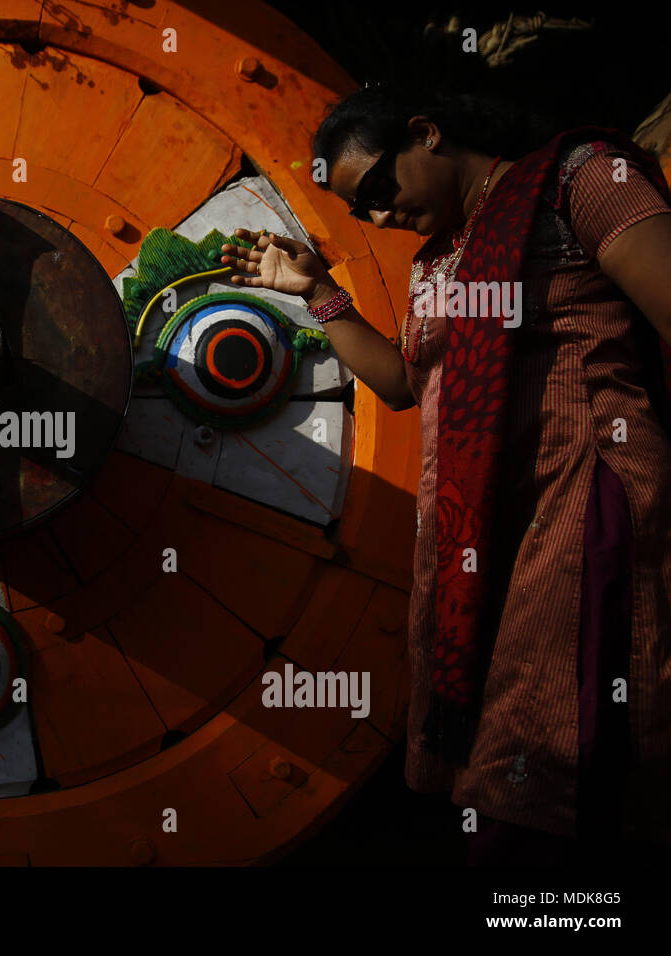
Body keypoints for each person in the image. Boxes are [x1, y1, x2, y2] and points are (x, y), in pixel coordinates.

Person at [221, 85, 671, 866]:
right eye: (365, 215)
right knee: (509, 758)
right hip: (483, 540)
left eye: (378, 191)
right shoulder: (443, 262)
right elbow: (403, 385)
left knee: (563, 753)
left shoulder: (583, 180)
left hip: (580, 505)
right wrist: (320, 294)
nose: (383, 218)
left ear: (425, 133)